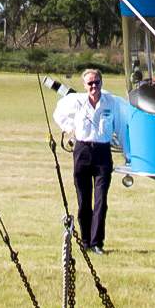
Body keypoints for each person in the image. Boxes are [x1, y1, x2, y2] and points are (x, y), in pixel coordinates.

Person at [51, 67, 130, 254]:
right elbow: (58, 114)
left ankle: (97, 243)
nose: (93, 86)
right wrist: (70, 128)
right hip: (82, 152)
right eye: (90, 83)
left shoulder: (111, 102)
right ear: (84, 85)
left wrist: (128, 155)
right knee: (83, 202)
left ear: (101, 83)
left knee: (101, 200)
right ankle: (85, 242)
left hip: (103, 153)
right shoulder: (76, 101)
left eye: (96, 82)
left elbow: (120, 128)